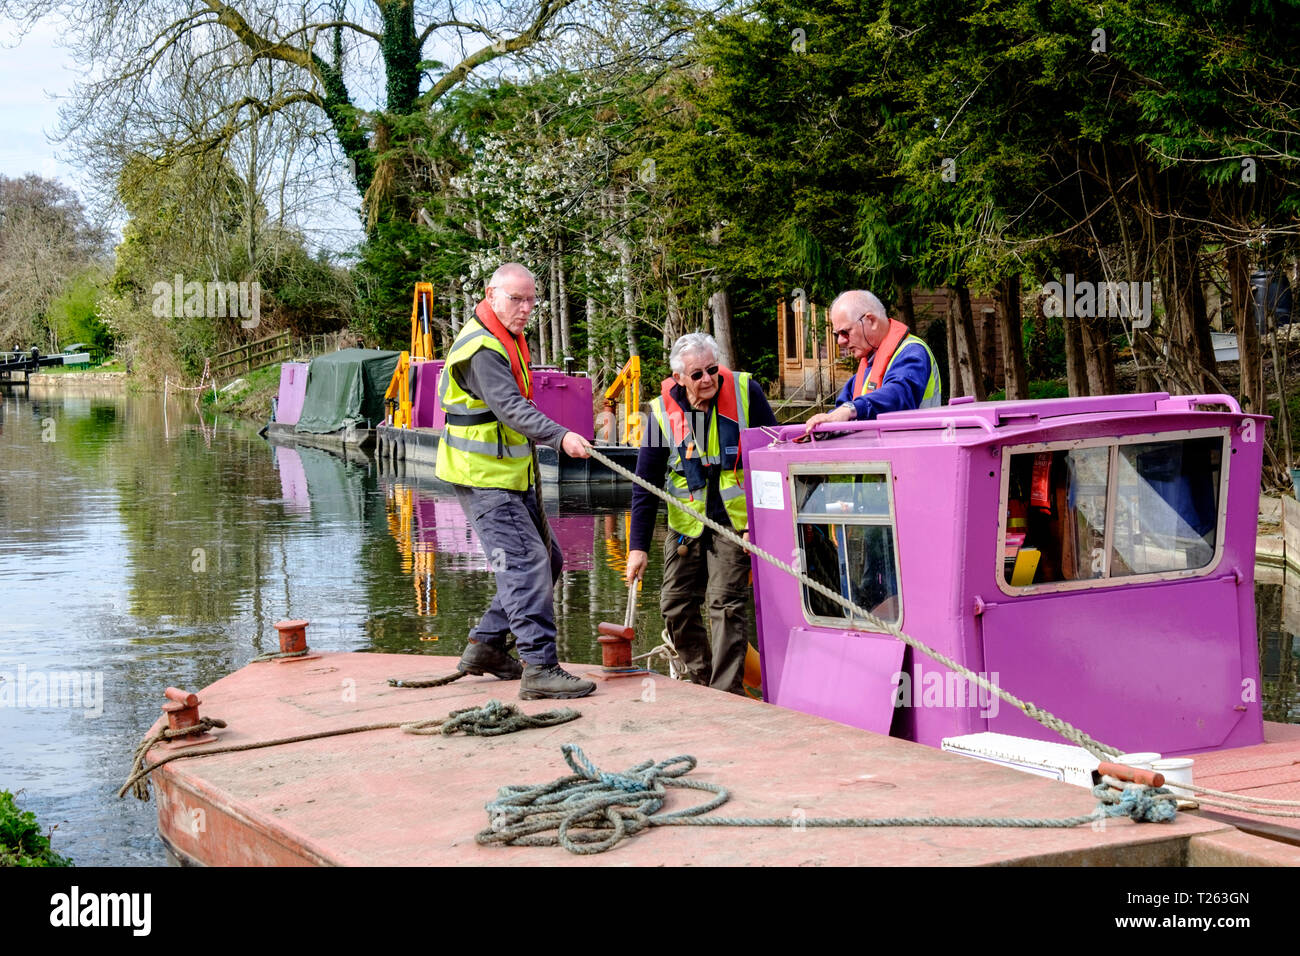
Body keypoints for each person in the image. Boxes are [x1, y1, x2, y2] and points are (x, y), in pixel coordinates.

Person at [434, 262, 596, 700]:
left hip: (509, 475)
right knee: (526, 566)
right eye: (516, 299)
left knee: (550, 560)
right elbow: (510, 409)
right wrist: (560, 437)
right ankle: (540, 669)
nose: (526, 309)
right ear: (491, 295)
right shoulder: (483, 350)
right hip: (484, 478)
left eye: (531, 300)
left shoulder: (505, 338)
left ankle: (487, 644)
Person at [625, 332, 778, 695]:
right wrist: (637, 547)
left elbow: (773, 458)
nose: (708, 379)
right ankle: (704, 681)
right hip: (685, 527)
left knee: (724, 605)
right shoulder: (661, 412)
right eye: (697, 374)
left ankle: (727, 694)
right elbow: (645, 484)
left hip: (735, 525)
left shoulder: (746, 393)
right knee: (674, 606)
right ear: (679, 378)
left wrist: (758, 526)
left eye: (713, 370)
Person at [803, 290, 941, 434]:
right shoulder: (869, 364)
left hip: (915, 451)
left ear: (871, 321)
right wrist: (825, 422)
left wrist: (850, 410)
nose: (840, 341)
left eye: (845, 332)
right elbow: (841, 409)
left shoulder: (912, 352)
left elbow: (898, 394)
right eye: (837, 335)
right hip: (886, 452)